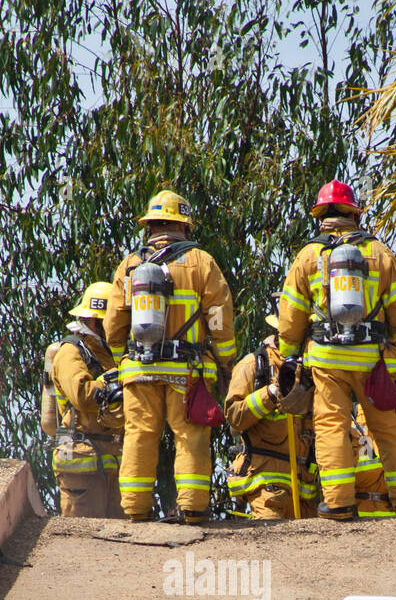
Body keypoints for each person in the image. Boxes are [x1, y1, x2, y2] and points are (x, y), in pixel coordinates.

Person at [278, 180, 396, 521]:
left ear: (321, 216)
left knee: (330, 426)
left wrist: (289, 355)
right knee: (389, 427)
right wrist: (395, 359)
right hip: (372, 359)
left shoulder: (308, 256)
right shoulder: (380, 253)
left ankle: (340, 503)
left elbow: (290, 316)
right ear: (354, 214)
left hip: (327, 357)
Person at [104, 189, 236, 523]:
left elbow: (113, 321)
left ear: (150, 227)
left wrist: (122, 361)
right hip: (186, 370)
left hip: (139, 367)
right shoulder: (201, 262)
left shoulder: (131, 264)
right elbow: (219, 317)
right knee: (190, 434)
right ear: (185, 227)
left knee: (139, 434)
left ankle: (135, 508)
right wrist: (225, 360)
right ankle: (192, 508)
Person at [225, 304, 318, 518]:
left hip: (305, 494)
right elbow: (234, 417)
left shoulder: (314, 367)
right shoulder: (255, 365)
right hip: (266, 488)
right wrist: (272, 393)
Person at [49, 283, 124, 517]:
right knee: (84, 540)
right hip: (82, 460)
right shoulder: (71, 352)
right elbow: (82, 395)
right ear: (96, 321)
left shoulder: (109, 354)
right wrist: (114, 384)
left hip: (111, 458)